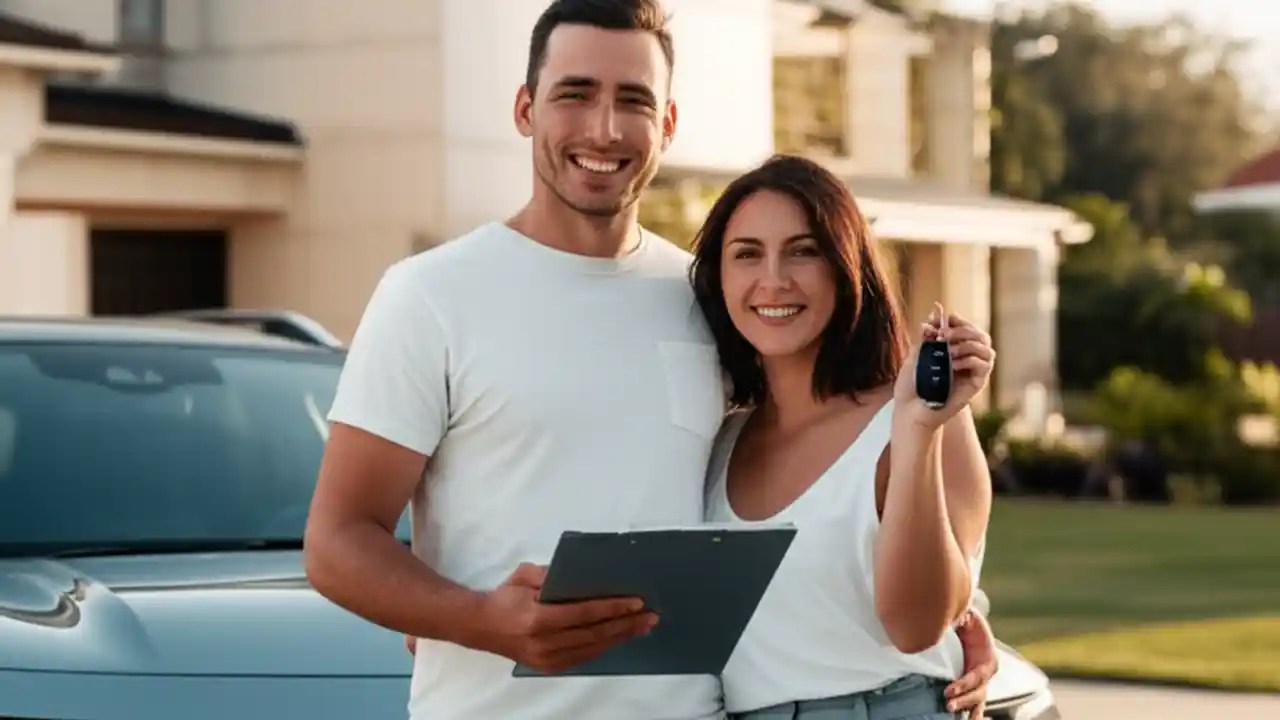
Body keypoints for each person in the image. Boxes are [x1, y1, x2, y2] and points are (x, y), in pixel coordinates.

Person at [304, 1, 996, 718]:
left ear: (666, 125)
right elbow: (337, 542)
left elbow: (814, 490)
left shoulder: (710, 298)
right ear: (524, 109)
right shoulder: (431, 296)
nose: (604, 128)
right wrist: (476, 619)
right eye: (575, 93)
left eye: (633, 100)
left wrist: (957, 619)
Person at [689, 154, 996, 720]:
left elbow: (917, 625)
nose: (773, 279)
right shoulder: (718, 441)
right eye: (747, 254)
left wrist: (918, 432)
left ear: (845, 264)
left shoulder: (921, 417)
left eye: (804, 251)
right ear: (718, 277)